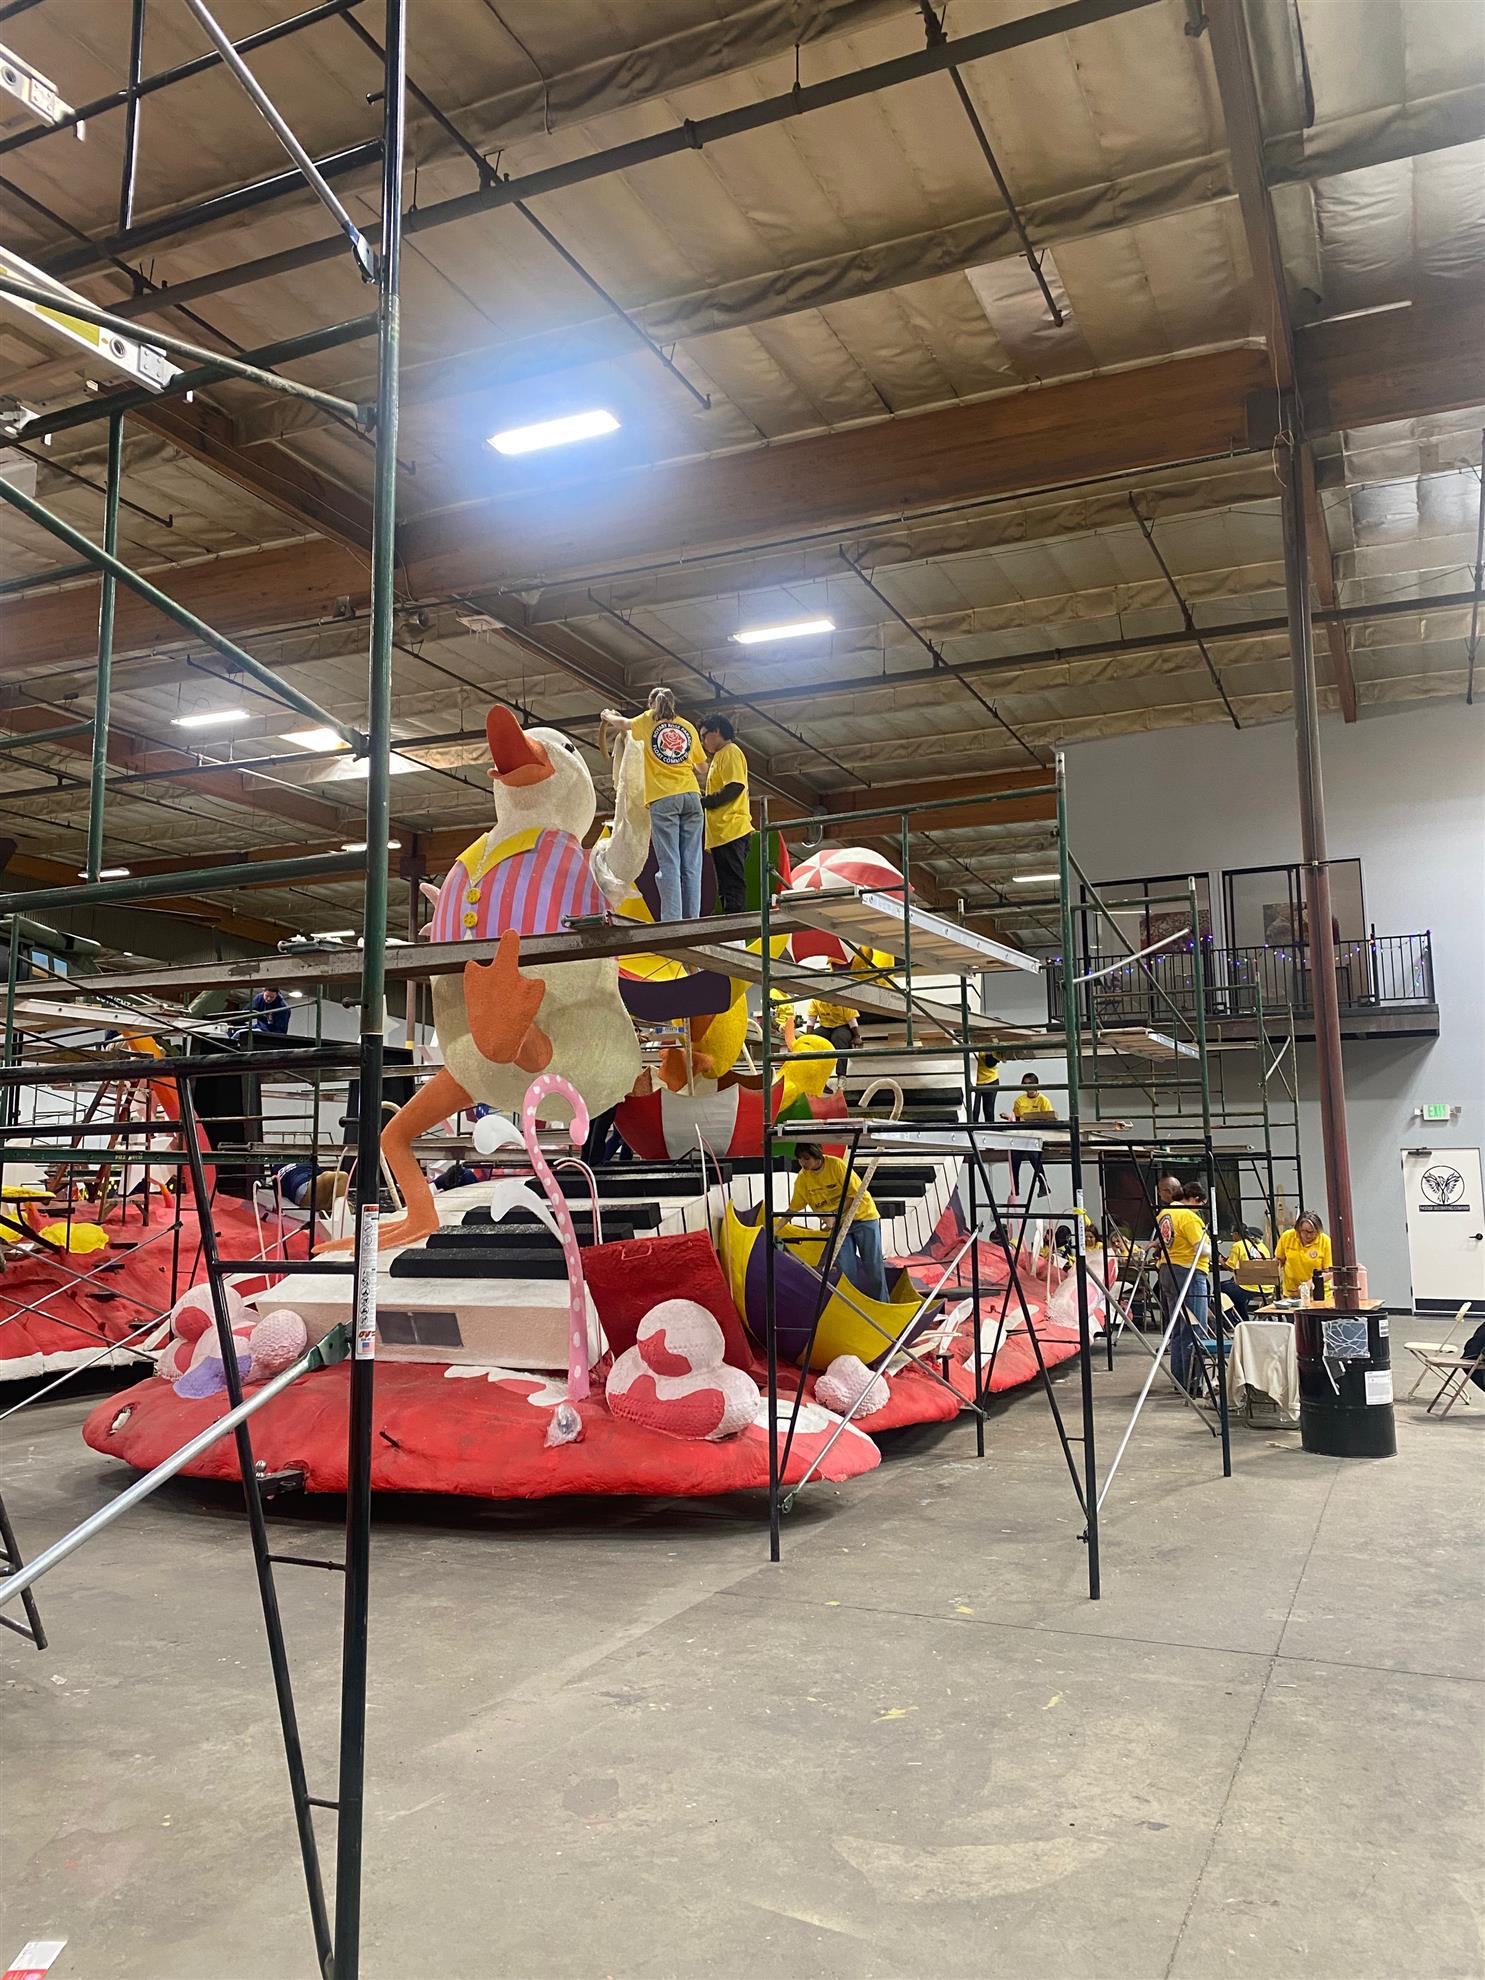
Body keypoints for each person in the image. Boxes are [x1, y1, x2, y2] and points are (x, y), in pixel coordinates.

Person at [601, 688, 706, 922]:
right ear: (673, 704)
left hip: (663, 798)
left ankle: (672, 919)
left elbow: (623, 723)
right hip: (691, 796)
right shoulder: (687, 727)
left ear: (651, 704)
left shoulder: (648, 720)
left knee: (670, 862)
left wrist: (607, 716)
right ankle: (693, 919)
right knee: (691, 862)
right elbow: (702, 767)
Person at [787, 1141, 889, 1303]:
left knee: (873, 1266)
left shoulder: (836, 1166)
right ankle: (852, 1306)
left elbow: (854, 1194)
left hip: (863, 1218)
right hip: (839, 1225)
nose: (802, 1163)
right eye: (800, 1159)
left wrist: (834, 1214)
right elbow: (794, 1207)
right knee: (846, 1271)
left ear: (816, 1156)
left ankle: (882, 1304)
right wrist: (776, 1228)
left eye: (806, 1158)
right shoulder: (803, 1178)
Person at [1150, 1180, 1212, 1396]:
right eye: (1200, 1203)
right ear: (1194, 1199)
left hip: (1167, 1270)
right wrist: (1212, 1248)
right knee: (1194, 1328)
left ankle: (1179, 1380)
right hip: (1188, 1271)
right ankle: (1192, 1382)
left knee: (1177, 1328)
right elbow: (1200, 1249)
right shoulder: (1188, 1217)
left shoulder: (1164, 1215)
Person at [698, 716, 751, 915]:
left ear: (717, 731)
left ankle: (735, 924)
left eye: (705, 736)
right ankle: (731, 920)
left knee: (732, 883)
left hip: (731, 828)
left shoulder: (730, 752)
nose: (703, 742)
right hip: (722, 832)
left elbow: (735, 787)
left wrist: (704, 802)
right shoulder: (719, 757)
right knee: (726, 885)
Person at [1004, 1071, 1055, 1199]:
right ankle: (1015, 1187)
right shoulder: (1019, 1101)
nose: (1029, 1087)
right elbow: (1016, 1119)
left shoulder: (1043, 1100)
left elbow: (1049, 1118)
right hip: (1023, 1135)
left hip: (1037, 1135)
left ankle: (1043, 1184)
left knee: (1034, 1155)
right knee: (1014, 1157)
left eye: (1031, 1084)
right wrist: (1008, 1117)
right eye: (1025, 1084)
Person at [806, 982, 860, 1085]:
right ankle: (819, 1078)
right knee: (815, 1041)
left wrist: (857, 1036)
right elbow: (811, 1019)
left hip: (842, 1026)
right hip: (825, 1027)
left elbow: (851, 1020)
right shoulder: (816, 1000)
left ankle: (841, 1076)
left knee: (839, 1039)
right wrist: (808, 1037)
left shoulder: (842, 999)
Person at [1276, 1210, 1332, 1299]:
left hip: (1318, 1295)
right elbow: (1279, 1260)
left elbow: (1329, 1272)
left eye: (1312, 1232)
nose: (1309, 1236)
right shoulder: (1287, 1237)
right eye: (1305, 1232)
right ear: (1298, 1229)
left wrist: (1309, 1283)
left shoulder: (1325, 1241)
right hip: (1292, 1293)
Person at [1220, 1224, 1270, 1324]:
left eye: (1232, 1234)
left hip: (1249, 1287)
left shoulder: (1238, 1245)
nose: (1232, 1237)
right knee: (1233, 1286)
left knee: (1221, 1287)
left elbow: (1230, 1267)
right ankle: (1241, 1318)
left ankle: (1235, 1320)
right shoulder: (1261, 1246)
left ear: (1237, 1234)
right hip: (1267, 1287)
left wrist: (1221, 1261)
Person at [972, 1050, 1000, 1123]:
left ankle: (990, 1132)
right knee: (974, 1112)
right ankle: (971, 1132)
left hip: (991, 1079)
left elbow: (990, 1063)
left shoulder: (989, 1040)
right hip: (973, 1080)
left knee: (988, 1110)